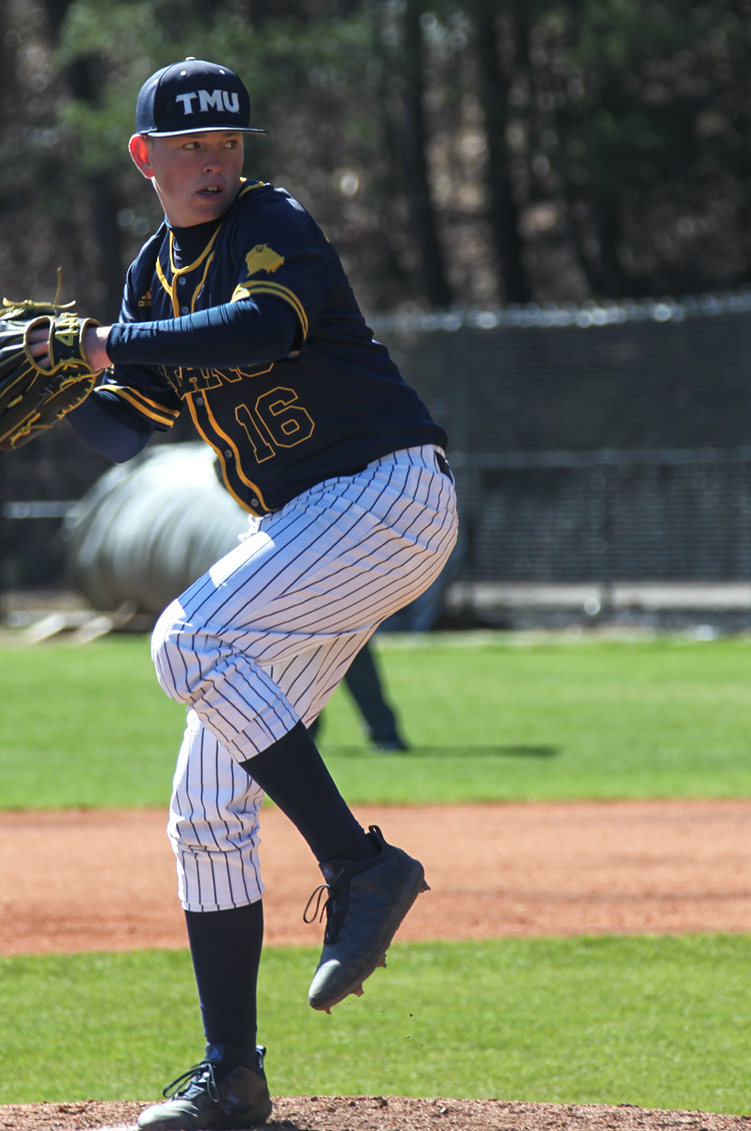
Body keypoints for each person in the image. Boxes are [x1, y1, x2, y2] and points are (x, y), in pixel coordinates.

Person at [32, 58, 458, 1131]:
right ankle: (232, 1075)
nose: (213, 162)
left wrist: (101, 343)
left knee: (185, 640)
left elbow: (261, 328)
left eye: (226, 144)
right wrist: (58, 387)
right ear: (146, 158)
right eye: (189, 147)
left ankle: (361, 865)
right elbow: (126, 426)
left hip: (385, 492)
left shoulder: (271, 221)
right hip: (311, 528)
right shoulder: (147, 277)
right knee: (205, 806)